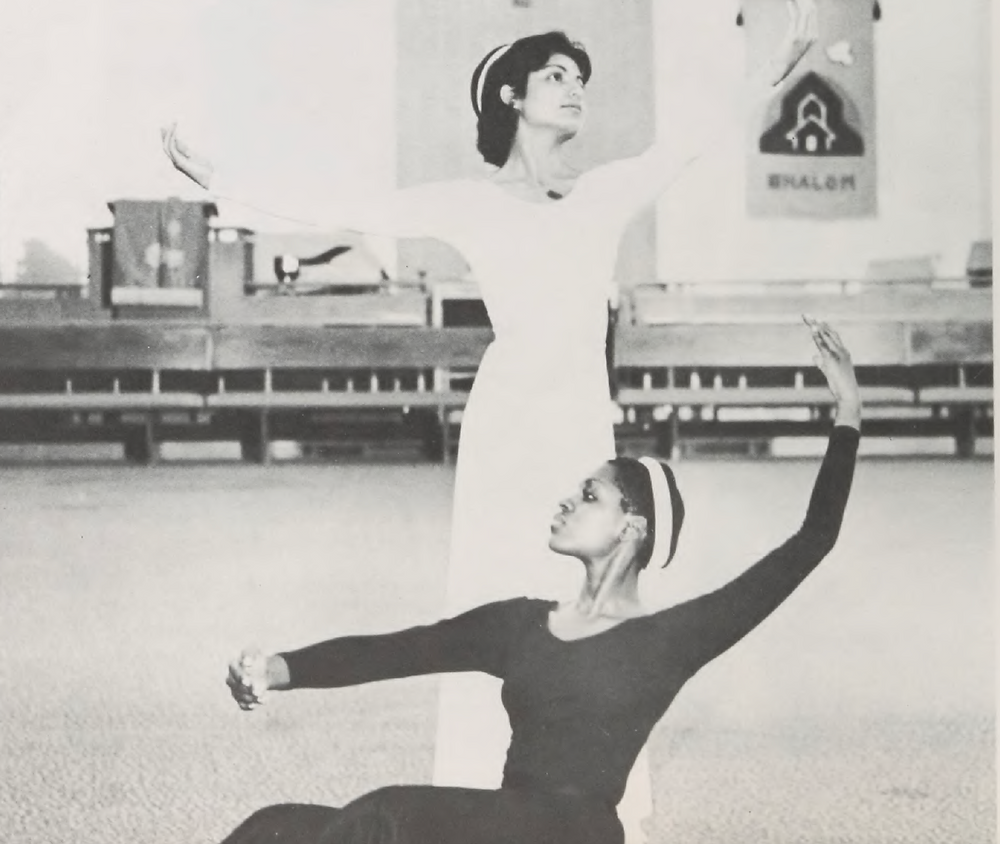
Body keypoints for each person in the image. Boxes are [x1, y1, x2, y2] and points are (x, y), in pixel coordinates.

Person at [161, 4, 819, 838]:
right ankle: (480, 803)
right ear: (511, 96)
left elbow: (686, 144)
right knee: (489, 615)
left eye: (580, 79)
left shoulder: (605, 192)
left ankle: (603, 806)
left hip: (581, 421)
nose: (575, 89)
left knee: (599, 603)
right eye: (555, 76)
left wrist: (767, 76)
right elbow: (353, 203)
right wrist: (222, 178)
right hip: (507, 427)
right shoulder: (471, 204)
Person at [220, 317, 861, 844]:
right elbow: (402, 648)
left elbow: (812, 541)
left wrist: (848, 412)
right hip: (505, 825)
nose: (564, 503)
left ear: (632, 527)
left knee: (387, 815)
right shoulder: (521, 623)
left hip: (577, 832)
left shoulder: (671, 639)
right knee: (274, 828)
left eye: (589, 495)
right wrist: (281, 669)